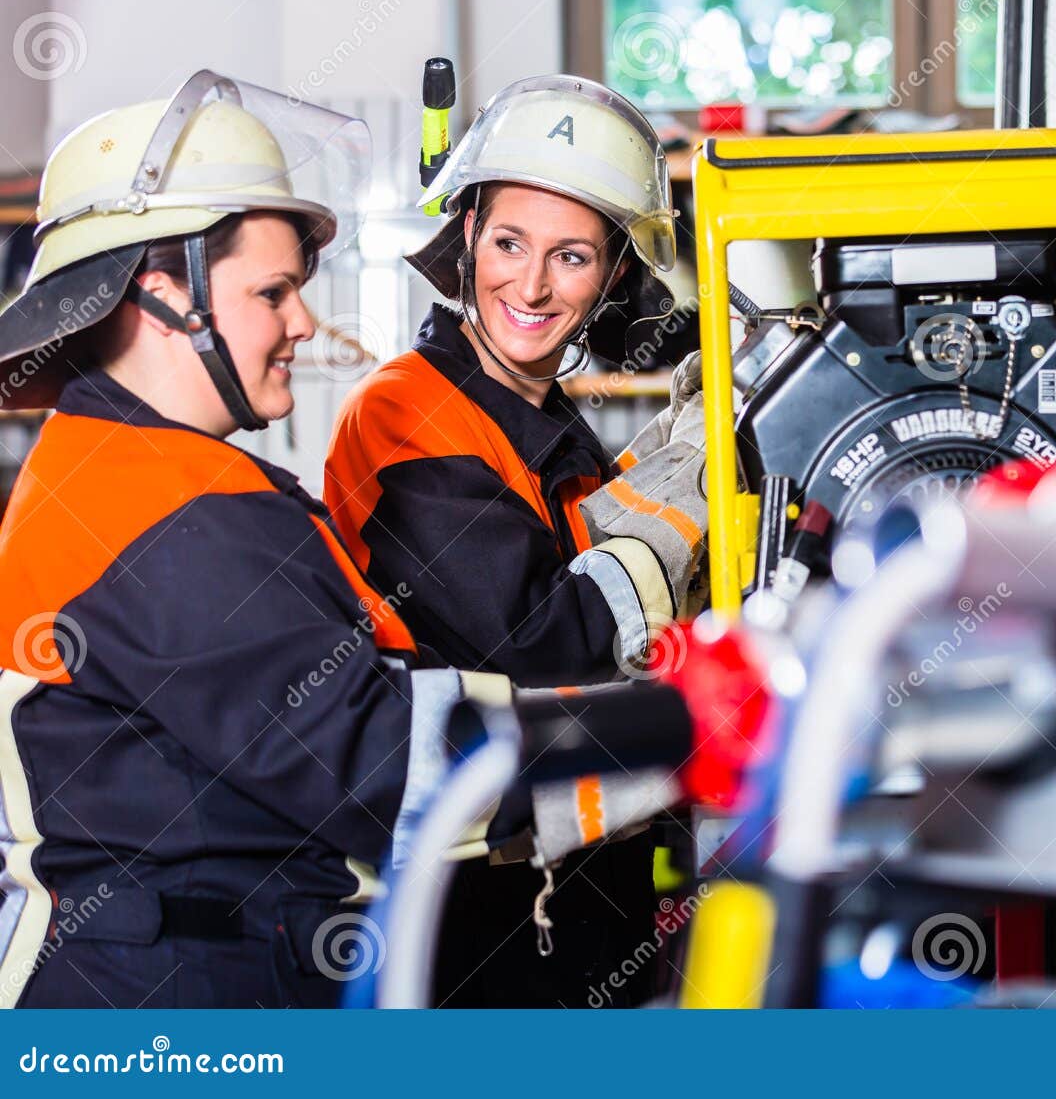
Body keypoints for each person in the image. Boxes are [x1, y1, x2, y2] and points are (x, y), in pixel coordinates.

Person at [0, 71, 721, 1009]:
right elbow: (389, 762)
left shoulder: (136, 472)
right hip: (166, 1004)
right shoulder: (168, 513)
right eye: (274, 292)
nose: (306, 323)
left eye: (575, 256)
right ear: (161, 292)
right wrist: (688, 734)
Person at [324, 74, 711, 1006]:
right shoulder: (406, 414)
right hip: (478, 909)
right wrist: (688, 479)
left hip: (574, 889)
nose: (530, 286)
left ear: (616, 272)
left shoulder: (545, 426)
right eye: (508, 243)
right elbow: (543, 643)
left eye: (571, 256)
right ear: (466, 239)